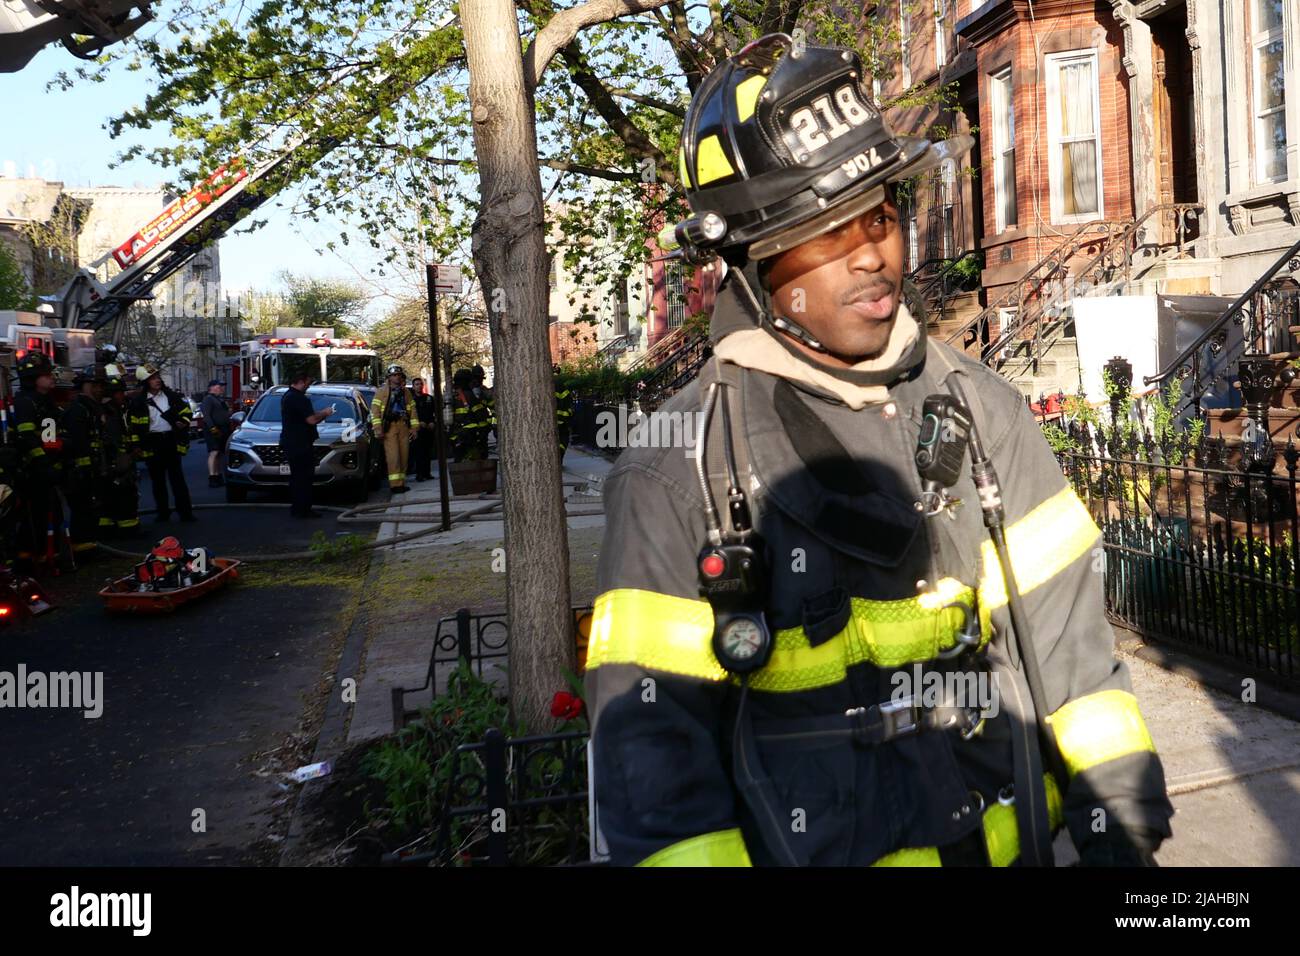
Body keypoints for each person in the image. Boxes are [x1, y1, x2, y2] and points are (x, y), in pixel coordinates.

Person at [586, 35, 1173, 868]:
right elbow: (657, 774)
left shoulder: (984, 409)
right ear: (752, 264)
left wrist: (1123, 838)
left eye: (879, 214)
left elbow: (1073, 658)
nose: (871, 253)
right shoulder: (678, 471)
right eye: (824, 232)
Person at [12, 352, 68, 567]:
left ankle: (47, 555)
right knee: (32, 517)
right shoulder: (26, 403)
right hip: (31, 472)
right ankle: (27, 559)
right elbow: (27, 439)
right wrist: (44, 464)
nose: (51, 377)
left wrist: (56, 460)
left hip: (47, 468)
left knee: (51, 514)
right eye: (46, 374)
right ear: (34, 378)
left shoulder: (45, 403)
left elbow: (49, 438)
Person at [128, 363, 196, 523]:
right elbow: (134, 427)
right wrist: (137, 446)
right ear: (145, 382)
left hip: (170, 440)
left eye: (157, 377)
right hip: (152, 443)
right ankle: (163, 513)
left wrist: (183, 422)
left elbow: (187, 411)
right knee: (158, 482)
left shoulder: (170, 396)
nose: (157, 380)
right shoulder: (138, 402)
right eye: (152, 378)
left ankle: (185, 513)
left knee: (177, 480)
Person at [60, 364, 108, 555]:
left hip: (90, 471)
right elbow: (78, 444)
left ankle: (90, 547)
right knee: (82, 511)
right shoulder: (78, 410)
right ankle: (82, 550)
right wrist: (84, 469)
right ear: (85, 386)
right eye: (95, 384)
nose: (100, 389)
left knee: (90, 510)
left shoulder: (91, 408)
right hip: (78, 473)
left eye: (101, 384)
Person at [280, 370, 334, 518]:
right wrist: (326, 412)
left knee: (297, 477)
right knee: (303, 478)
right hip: (300, 443)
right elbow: (311, 420)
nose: (309, 386)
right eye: (308, 383)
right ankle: (303, 509)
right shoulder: (298, 398)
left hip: (293, 442)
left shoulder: (287, 396)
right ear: (302, 381)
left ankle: (298, 508)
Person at [99, 365, 140, 536]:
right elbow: (114, 438)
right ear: (112, 393)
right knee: (124, 495)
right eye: (120, 392)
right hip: (116, 460)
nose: (123, 395)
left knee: (109, 497)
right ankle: (128, 530)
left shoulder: (115, 409)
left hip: (114, 461)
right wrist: (125, 458)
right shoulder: (109, 411)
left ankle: (109, 528)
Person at [369, 365, 420, 494]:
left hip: (403, 425)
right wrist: (378, 429)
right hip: (389, 427)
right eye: (394, 375)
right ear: (389, 377)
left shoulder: (406, 392)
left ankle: (401, 483)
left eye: (398, 375)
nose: (397, 377)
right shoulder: (382, 392)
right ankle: (395, 485)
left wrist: (414, 428)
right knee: (393, 457)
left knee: (404, 455)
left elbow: (412, 410)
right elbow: (374, 412)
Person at [449, 368, 490, 463]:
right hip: (471, 436)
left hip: (456, 436)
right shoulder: (470, 396)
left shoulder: (452, 397)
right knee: (475, 462)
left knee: (460, 462)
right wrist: (485, 430)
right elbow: (481, 415)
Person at [201, 379, 232, 487]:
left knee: (218, 453)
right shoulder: (208, 399)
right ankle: (212, 476)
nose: (222, 389)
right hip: (213, 429)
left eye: (222, 386)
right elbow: (207, 416)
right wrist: (213, 429)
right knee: (213, 453)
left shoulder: (219, 399)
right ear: (212, 388)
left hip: (223, 429)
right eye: (219, 387)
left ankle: (218, 475)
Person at [409, 377, 437, 482]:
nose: (419, 386)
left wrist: (432, 422)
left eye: (421, 384)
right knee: (418, 453)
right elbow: (409, 415)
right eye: (417, 384)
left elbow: (435, 412)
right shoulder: (411, 400)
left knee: (428, 452)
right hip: (417, 430)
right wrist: (418, 423)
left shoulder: (429, 398)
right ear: (413, 386)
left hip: (428, 429)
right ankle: (419, 474)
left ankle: (427, 473)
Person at [553, 365, 573, 464]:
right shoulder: (561, 383)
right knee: (563, 438)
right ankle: (559, 456)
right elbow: (567, 400)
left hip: (546, 420)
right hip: (561, 419)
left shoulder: (541, 381)